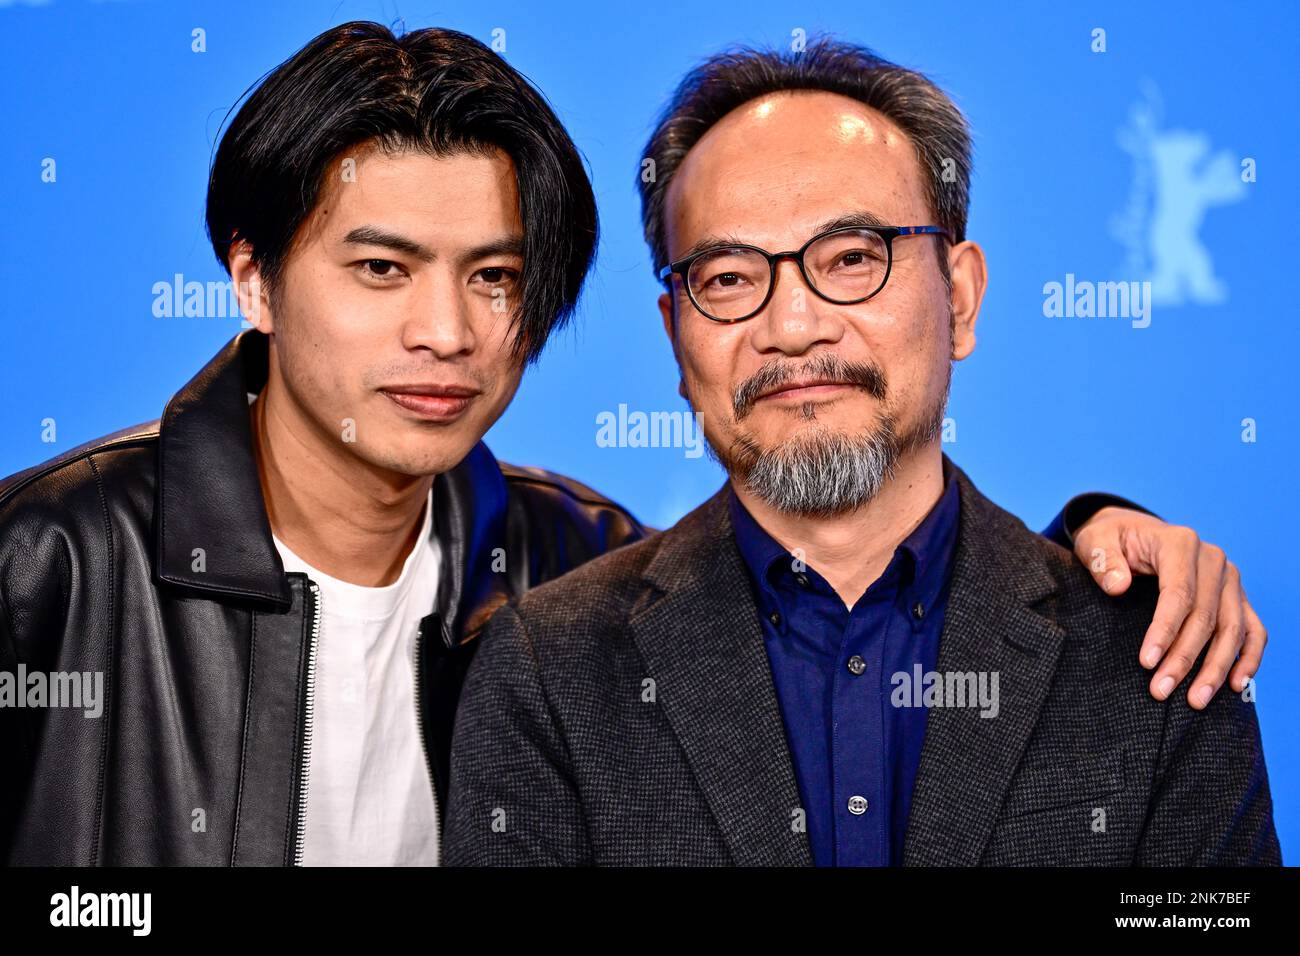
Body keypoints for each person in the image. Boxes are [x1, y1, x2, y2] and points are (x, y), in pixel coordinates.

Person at [442, 39, 1278, 866]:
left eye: (851, 260)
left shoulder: (1162, 654)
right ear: (675, 335)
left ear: (960, 296)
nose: (794, 326)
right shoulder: (549, 673)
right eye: (729, 278)